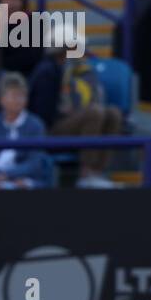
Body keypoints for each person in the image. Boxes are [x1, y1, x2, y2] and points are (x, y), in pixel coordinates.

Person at [26, 32, 122, 188]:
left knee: (113, 114)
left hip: (73, 121)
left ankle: (98, 171)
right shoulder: (48, 71)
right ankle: (86, 174)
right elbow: (44, 115)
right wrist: (67, 110)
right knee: (94, 113)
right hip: (50, 128)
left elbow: (95, 98)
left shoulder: (85, 71)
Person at [0, 72, 51, 188]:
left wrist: (9, 175)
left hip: (26, 178)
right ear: (2, 99)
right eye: (14, 95)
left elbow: (35, 163)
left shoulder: (36, 125)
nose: (19, 100)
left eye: (22, 96)